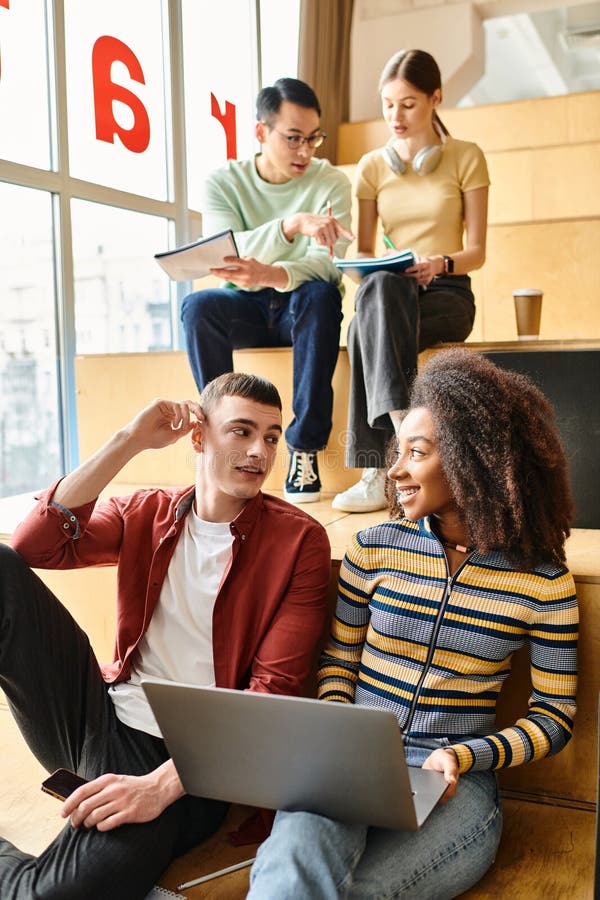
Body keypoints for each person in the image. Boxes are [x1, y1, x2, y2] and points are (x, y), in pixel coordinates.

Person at [247, 348, 578, 899]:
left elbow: (554, 715)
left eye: (415, 453)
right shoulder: (373, 548)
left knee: (359, 894)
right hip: (351, 766)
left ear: (472, 462)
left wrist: (465, 756)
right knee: (291, 870)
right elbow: (339, 662)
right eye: (397, 452)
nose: (394, 471)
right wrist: (341, 733)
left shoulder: (543, 583)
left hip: (456, 785)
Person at [1, 372, 332, 899]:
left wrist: (157, 789)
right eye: (241, 432)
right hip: (100, 714)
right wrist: (128, 441)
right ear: (199, 437)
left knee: (55, 895)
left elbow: (271, 696)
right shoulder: (148, 511)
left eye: (272, 437)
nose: (260, 451)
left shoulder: (299, 542)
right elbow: (33, 546)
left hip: (189, 764)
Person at [181, 77, 353, 505]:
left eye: (314, 138)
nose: (305, 151)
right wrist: (292, 225)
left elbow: (330, 265)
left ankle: (305, 448)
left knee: (321, 294)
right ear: (261, 132)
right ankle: (221, 434)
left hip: (304, 305)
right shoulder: (223, 182)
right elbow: (226, 253)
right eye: (293, 138)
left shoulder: (331, 182)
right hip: (245, 308)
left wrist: (271, 272)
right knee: (197, 307)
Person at [333, 49, 490, 513]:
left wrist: (440, 262)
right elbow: (363, 251)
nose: (395, 116)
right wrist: (372, 261)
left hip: (446, 293)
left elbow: (477, 252)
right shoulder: (372, 168)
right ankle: (408, 442)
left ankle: (378, 466)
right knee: (379, 295)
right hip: (391, 291)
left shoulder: (466, 157)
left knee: (363, 326)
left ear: (435, 98)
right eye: (387, 104)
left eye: (408, 104)